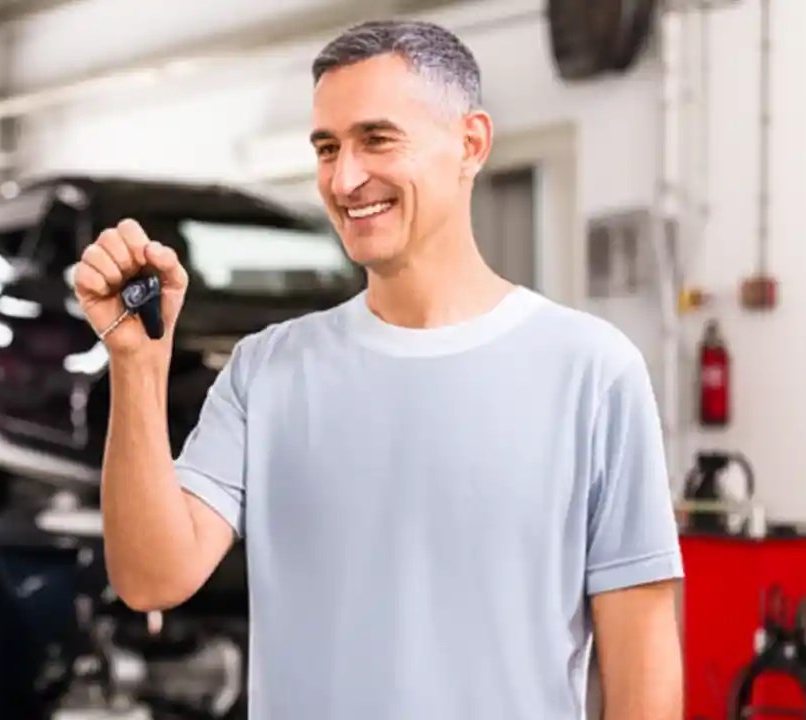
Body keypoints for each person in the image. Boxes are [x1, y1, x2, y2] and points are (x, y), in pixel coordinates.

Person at [74, 19, 684, 720]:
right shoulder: (266, 372)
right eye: (327, 148)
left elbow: (643, 673)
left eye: (376, 139)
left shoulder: (592, 373)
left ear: (471, 142)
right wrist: (137, 365)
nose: (344, 178)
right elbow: (152, 578)